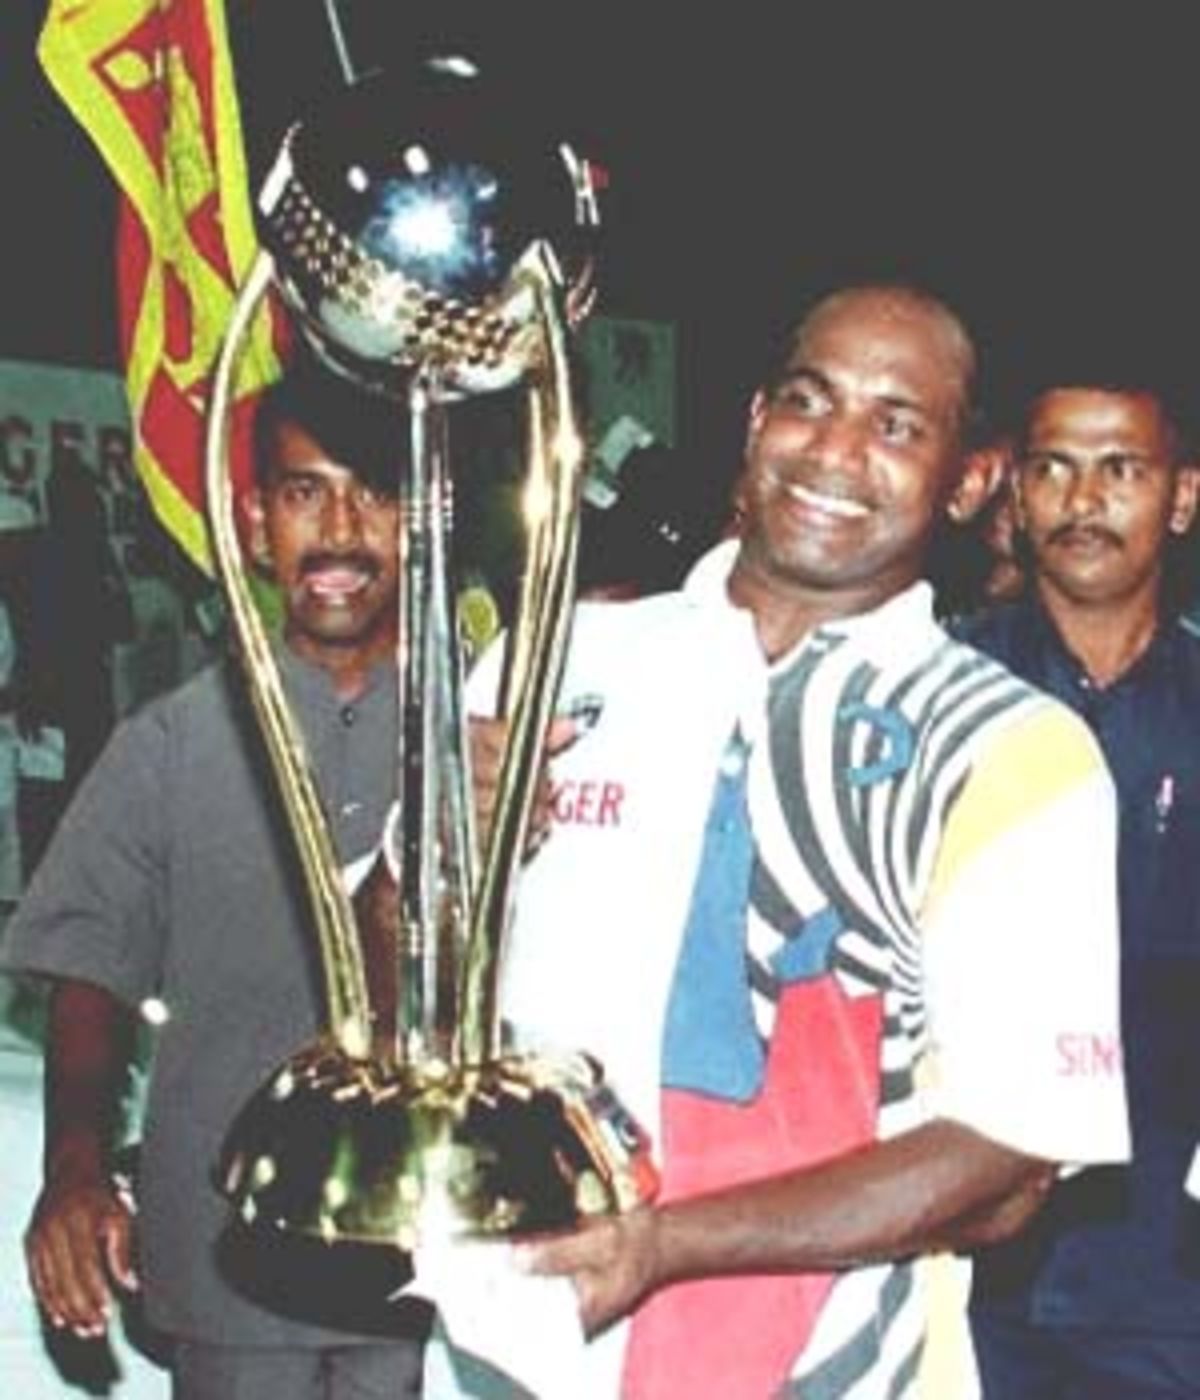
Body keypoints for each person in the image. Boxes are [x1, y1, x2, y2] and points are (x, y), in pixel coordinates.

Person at [449, 283, 1132, 1398]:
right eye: (810, 401)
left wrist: (663, 1243)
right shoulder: (550, 662)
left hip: (837, 1369)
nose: (836, 450)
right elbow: (397, 1009)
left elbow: (1009, 1159)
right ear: (756, 420)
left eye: (896, 424)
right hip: (507, 1354)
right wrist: (439, 858)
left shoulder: (1009, 748)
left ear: (969, 482)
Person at [0, 365, 429, 1399]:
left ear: (421, 521)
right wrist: (74, 1166)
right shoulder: (171, 742)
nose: (340, 530)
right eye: (303, 492)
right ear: (253, 523)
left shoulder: (474, 738)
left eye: (373, 492)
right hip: (229, 1260)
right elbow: (90, 972)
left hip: (426, 1252)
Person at [962, 370, 1200, 1398]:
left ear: (1182, 498)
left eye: (1121, 469)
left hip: (1166, 1270)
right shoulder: (936, 690)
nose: (1084, 498)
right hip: (952, 1251)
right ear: (1015, 496)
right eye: (1053, 467)